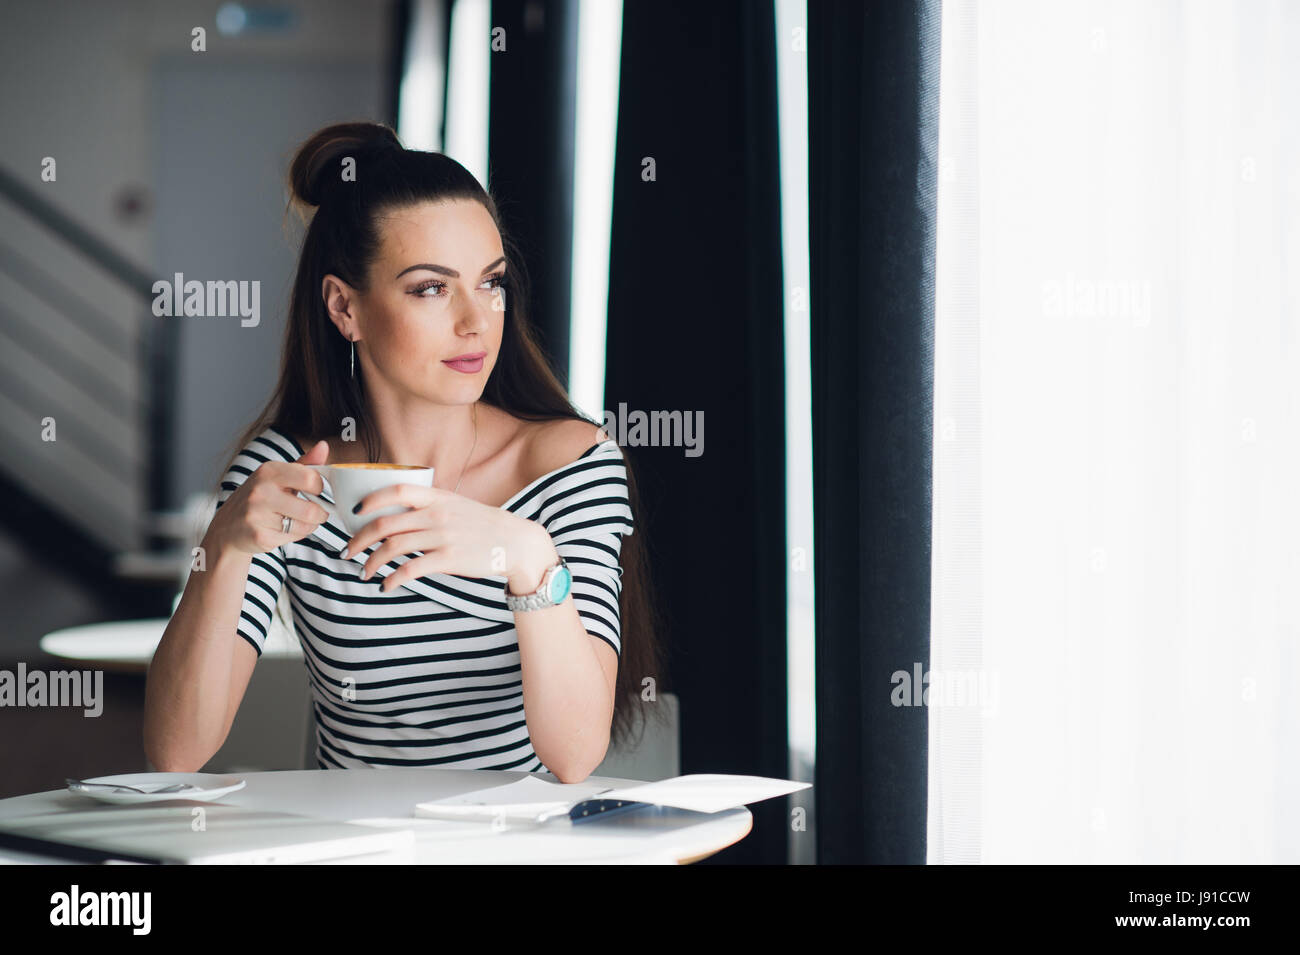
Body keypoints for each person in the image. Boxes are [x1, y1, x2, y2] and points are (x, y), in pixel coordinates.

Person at [144, 122, 664, 783]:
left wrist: (528, 556)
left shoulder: (572, 464)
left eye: (491, 282)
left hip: (521, 836)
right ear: (344, 308)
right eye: (431, 288)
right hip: (347, 837)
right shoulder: (289, 475)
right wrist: (223, 546)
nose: (476, 321)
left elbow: (576, 753)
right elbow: (176, 751)